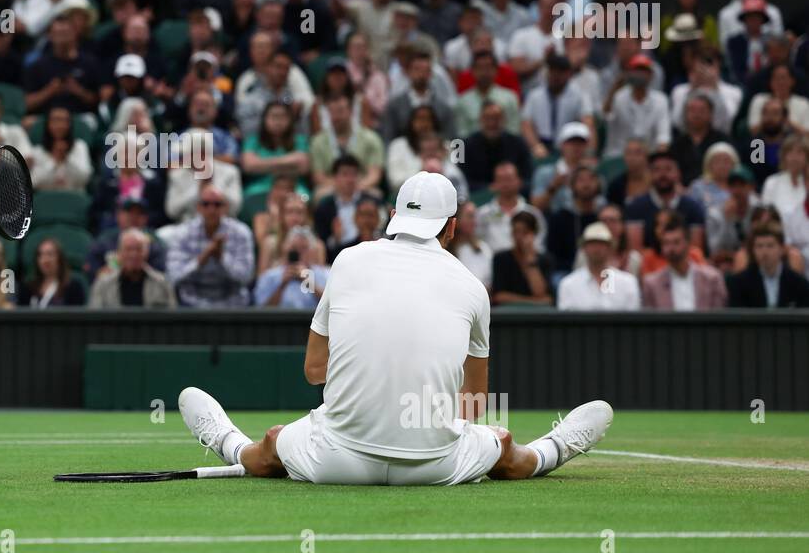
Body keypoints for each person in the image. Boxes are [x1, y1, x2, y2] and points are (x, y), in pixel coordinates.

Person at [177, 171, 614, 485]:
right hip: (434, 466)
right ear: (452, 227)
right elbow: (475, 402)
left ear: (393, 216)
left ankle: (229, 443)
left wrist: (367, 383)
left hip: (337, 462)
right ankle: (554, 449)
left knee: (270, 446)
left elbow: (314, 370)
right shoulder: (472, 286)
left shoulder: (346, 261)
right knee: (504, 448)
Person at [165, 184, 255, 307]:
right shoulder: (183, 233)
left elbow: (246, 278)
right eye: (206, 204)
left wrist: (222, 258)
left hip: (233, 304)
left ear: (226, 208)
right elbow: (174, 277)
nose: (211, 210)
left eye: (217, 204)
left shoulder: (241, 233)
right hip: (191, 304)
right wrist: (202, 258)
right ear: (198, 207)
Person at [641, 215, 728, 310]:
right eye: (666, 243)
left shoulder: (712, 279)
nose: (671, 248)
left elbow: (719, 319)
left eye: (676, 242)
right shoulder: (652, 284)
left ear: (688, 243)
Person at [556, 222, 641, 310]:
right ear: (584, 248)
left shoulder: (628, 282)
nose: (596, 248)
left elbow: (633, 320)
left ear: (610, 248)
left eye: (601, 243)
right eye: (592, 243)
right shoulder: (568, 284)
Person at [725, 223, 809, 308]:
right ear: (753, 250)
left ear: (782, 249)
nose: (764, 252)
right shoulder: (738, 283)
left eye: (770, 246)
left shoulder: (799, 283)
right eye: (759, 246)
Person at [87, 228, 177, 307]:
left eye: (139, 249)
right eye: (128, 249)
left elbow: (172, 319)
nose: (133, 254)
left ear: (146, 252)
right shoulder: (103, 284)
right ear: (120, 252)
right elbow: (94, 318)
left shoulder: (162, 283)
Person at [19, 237, 87, 308]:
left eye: (50, 254)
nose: (45, 260)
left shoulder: (73, 288)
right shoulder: (28, 288)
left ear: (59, 258)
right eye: (40, 255)